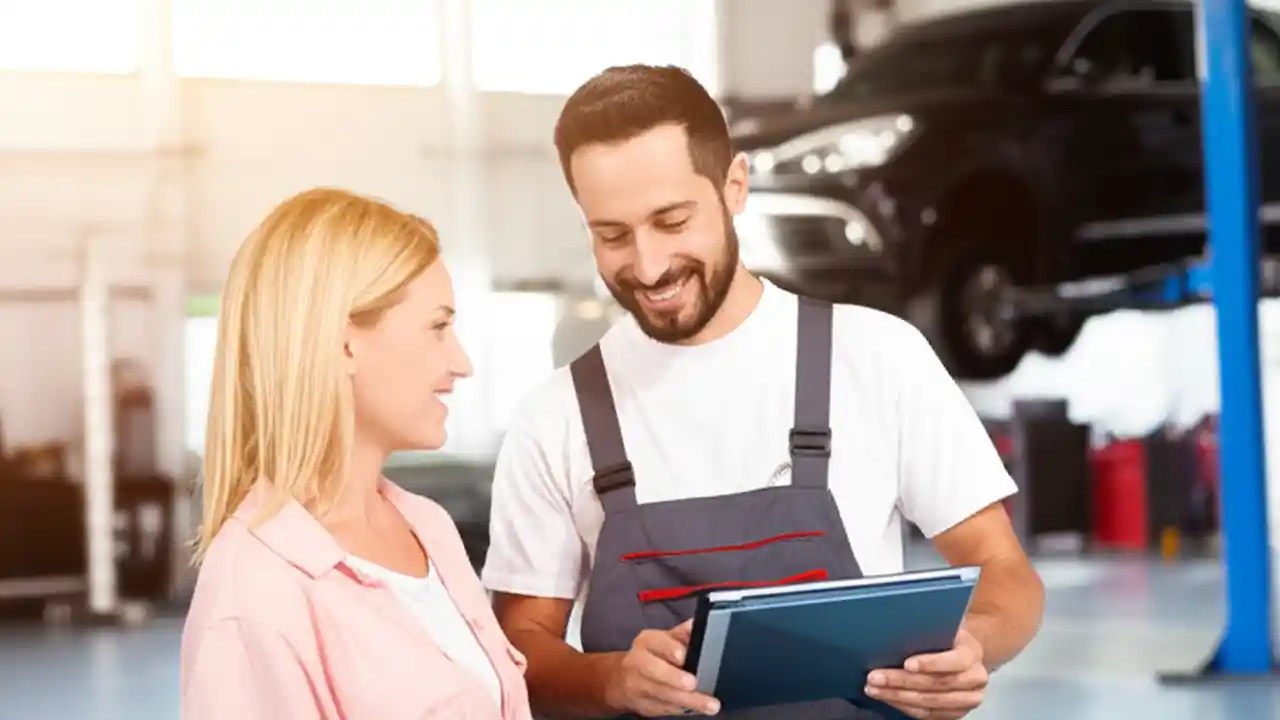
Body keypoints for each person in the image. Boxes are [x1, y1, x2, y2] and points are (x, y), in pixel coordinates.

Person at [482, 65, 1045, 720]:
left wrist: (971, 645)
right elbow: (521, 653)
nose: (648, 265)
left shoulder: (876, 357)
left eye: (672, 221)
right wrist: (611, 680)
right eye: (612, 235)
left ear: (735, 186)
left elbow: (1004, 571)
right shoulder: (555, 417)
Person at [180, 188, 533, 719]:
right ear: (345, 343)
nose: (462, 363)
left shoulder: (427, 527)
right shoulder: (256, 595)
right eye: (438, 327)